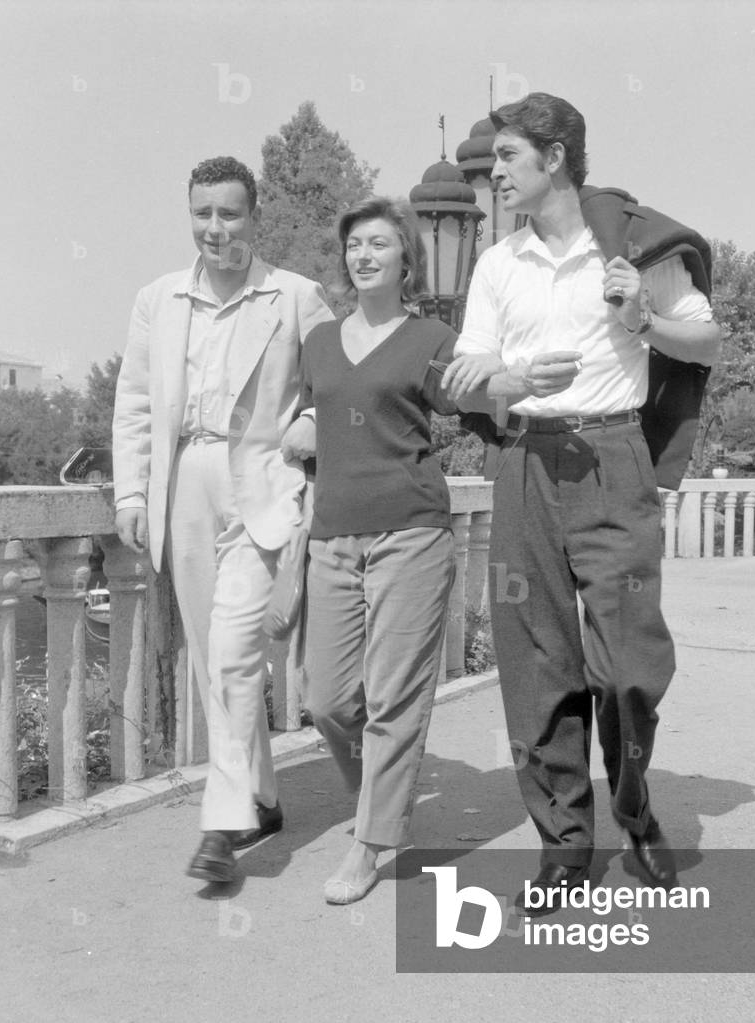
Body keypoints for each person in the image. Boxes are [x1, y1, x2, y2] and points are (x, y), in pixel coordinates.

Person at [443, 93, 721, 913]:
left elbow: (705, 340)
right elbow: (467, 371)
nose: (491, 173)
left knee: (631, 666)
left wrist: (641, 319)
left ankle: (633, 809)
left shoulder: (634, 253)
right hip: (526, 460)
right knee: (535, 665)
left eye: (504, 157)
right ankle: (564, 844)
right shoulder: (497, 266)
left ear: (554, 156)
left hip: (612, 458)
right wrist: (501, 381)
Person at [112, 155, 334, 883]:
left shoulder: (295, 298)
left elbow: (339, 382)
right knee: (215, 657)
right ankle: (263, 796)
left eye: (229, 213)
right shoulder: (158, 299)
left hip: (261, 484)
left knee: (236, 648)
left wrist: (308, 419)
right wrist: (133, 496)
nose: (215, 229)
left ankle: (221, 823)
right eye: (203, 213)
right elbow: (137, 403)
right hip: (185, 481)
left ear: (254, 216)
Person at [280, 197, 461, 905]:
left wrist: (510, 381)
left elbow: (476, 401)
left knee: (392, 695)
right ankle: (379, 806)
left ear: (405, 259)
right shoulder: (320, 341)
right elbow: (311, 408)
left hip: (410, 529)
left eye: (379, 243)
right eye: (354, 244)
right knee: (326, 699)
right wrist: (299, 426)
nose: (364, 255)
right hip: (332, 532)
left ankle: (370, 843)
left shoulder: (430, 338)